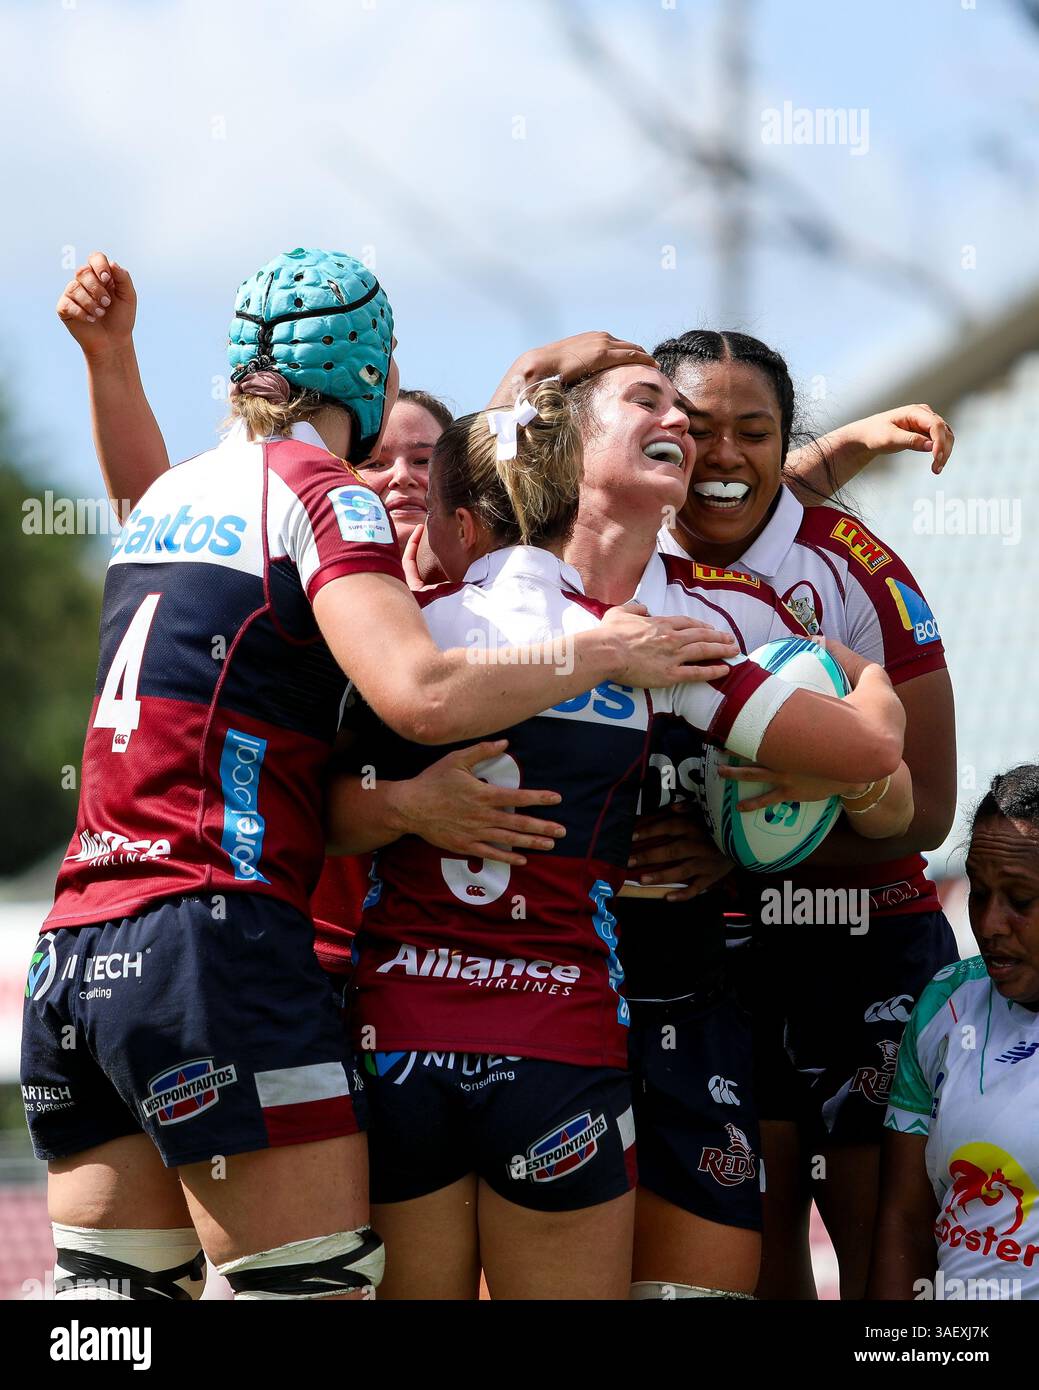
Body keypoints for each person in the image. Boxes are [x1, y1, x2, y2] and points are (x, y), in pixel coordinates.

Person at [26, 250, 728, 1303]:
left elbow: (156, 503)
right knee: (301, 1287)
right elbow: (422, 693)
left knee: (111, 1310)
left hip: (78, 946)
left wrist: (113, 363)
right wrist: (600, 654)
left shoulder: (177, 494)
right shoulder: (323, 493)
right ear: (373, 377)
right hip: (213, 942)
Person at [344, 367, 912, 1301]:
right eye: (646, 404)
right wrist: (404, 807)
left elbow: (892, 804)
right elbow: (320, 804)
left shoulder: (714, 613)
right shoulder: (428, 623)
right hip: (541, 1024)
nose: (679, 422)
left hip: (669, 1014)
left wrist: (742, 833)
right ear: (565, 457)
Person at [633, 328, 959, 1300]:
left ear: (784, 441)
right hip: (722, 965)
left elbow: (929, 810)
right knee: (755, 1259)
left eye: (755, 431)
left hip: (867, 952)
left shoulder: (854, 569)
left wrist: (743, 851)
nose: (724, 455)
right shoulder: (626, 553)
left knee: (881, 1261)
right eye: (695, 429)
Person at [870, 765, 1039, 1301]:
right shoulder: (946, 1005)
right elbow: (905, 1219)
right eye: (980, 891)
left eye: (1021, 899)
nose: (988, 924)